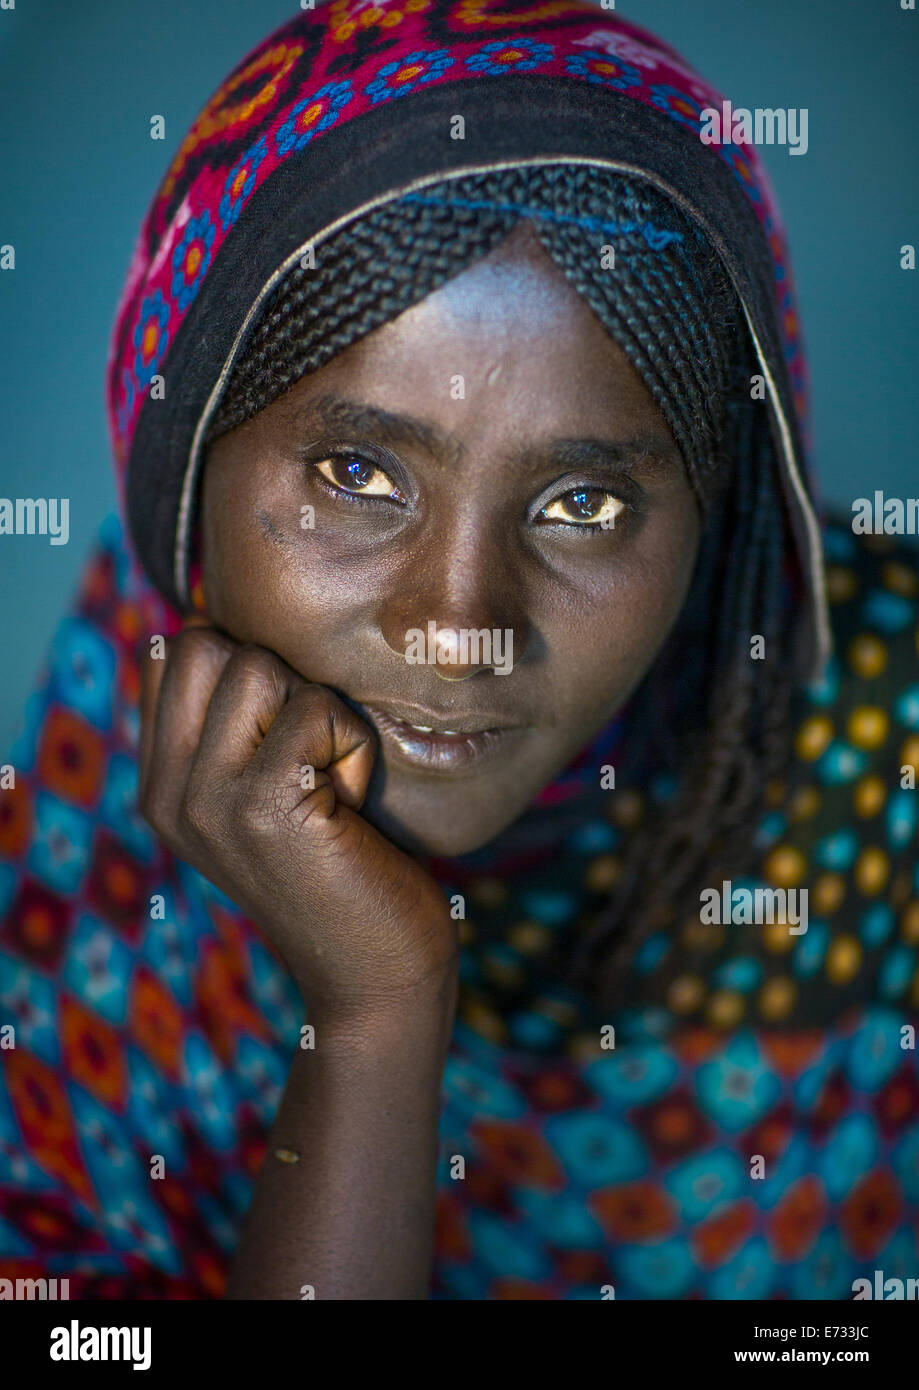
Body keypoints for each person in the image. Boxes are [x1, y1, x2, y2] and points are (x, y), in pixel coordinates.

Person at [1, 0, 917, 1301]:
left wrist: (370, 1008)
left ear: (718, 515)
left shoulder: (886, 753)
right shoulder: (125, 705)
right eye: (359, 470)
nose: (460, 620)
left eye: (583, 504)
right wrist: (379, 1015)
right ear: (188, 467)